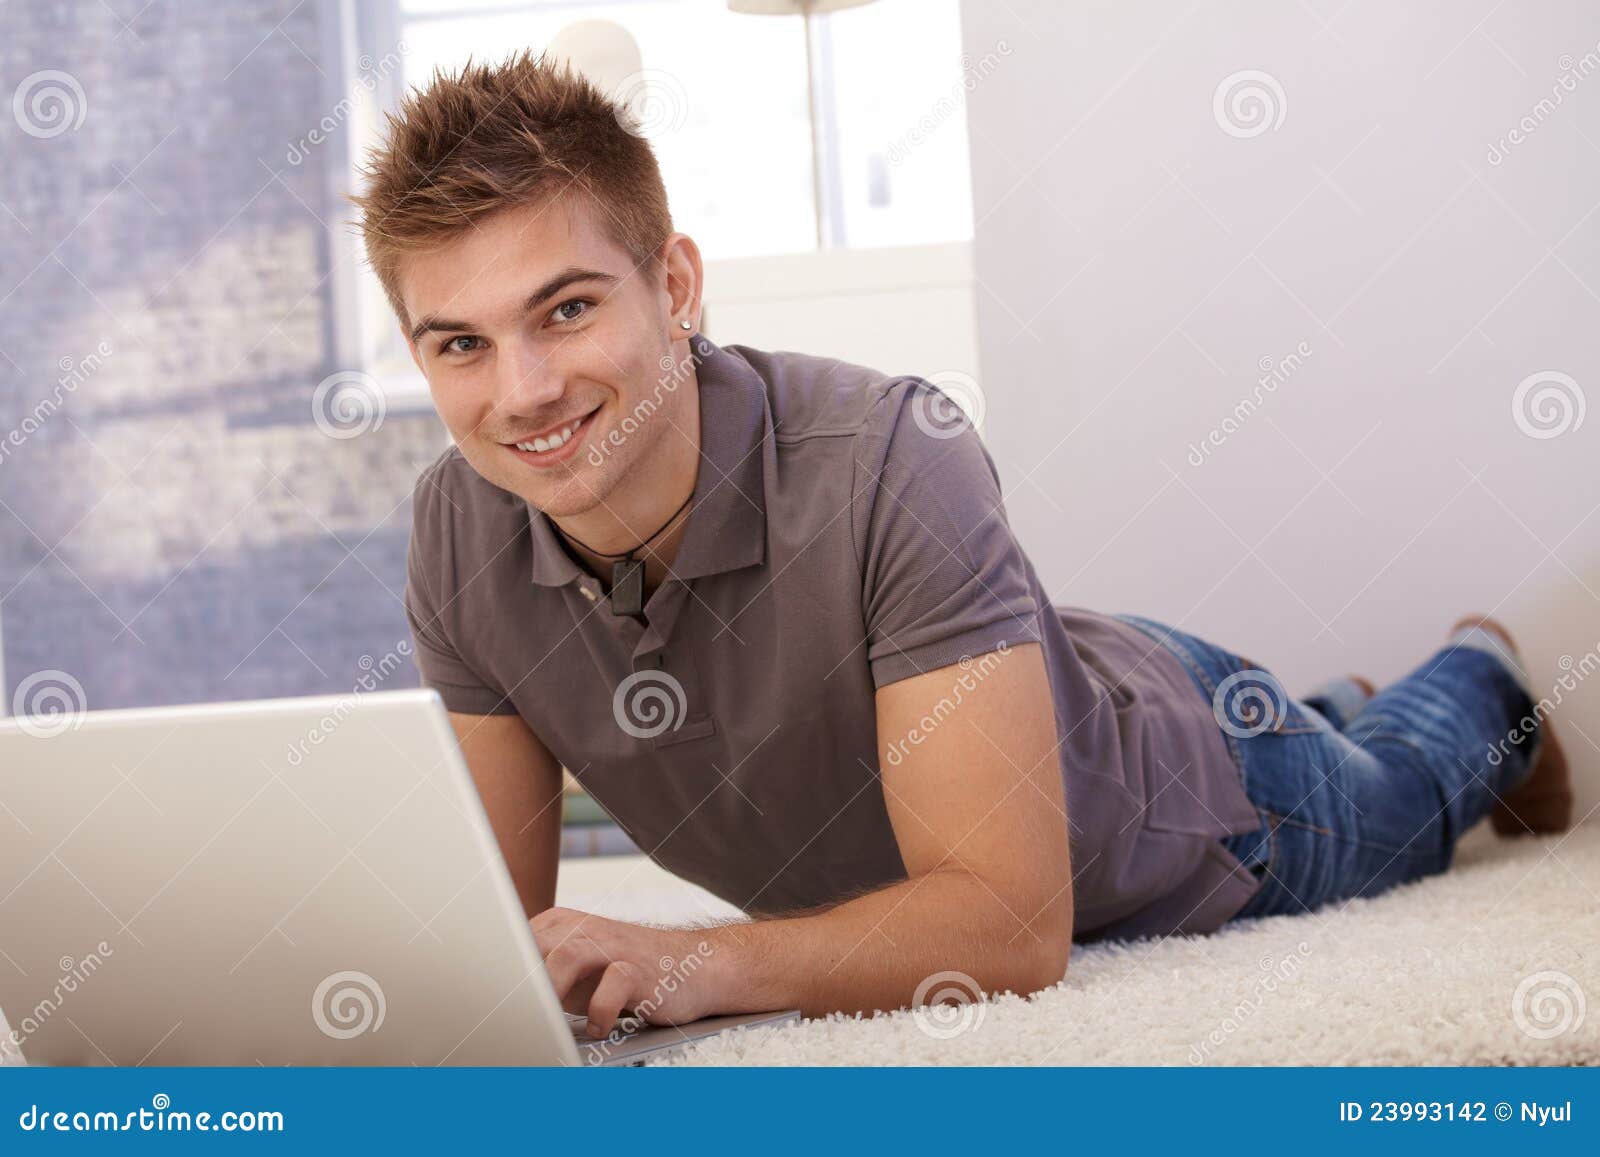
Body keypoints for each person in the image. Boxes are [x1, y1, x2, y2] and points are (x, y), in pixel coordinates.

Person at [352, 53, 1571, 1036]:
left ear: (674, 285)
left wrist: (692, 960)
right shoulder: (457, 528)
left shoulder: (888, 451)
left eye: (566, 310)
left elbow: (1007, 923)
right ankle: (1330, 702)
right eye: (458, 342)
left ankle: (1473, 674)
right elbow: (493, 930)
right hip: (1026, 679)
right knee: (1326, 730)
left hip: (1192, 779)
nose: (521, 391)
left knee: (1404, 800)